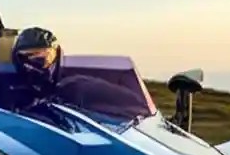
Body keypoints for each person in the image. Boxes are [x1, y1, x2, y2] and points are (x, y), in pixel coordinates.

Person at [9, 27, 140, 118]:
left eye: (40, 57)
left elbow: (134, 105)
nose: (32, 64)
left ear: (56, 55)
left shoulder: (76, 86)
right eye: (25, 57)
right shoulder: (12, 90)